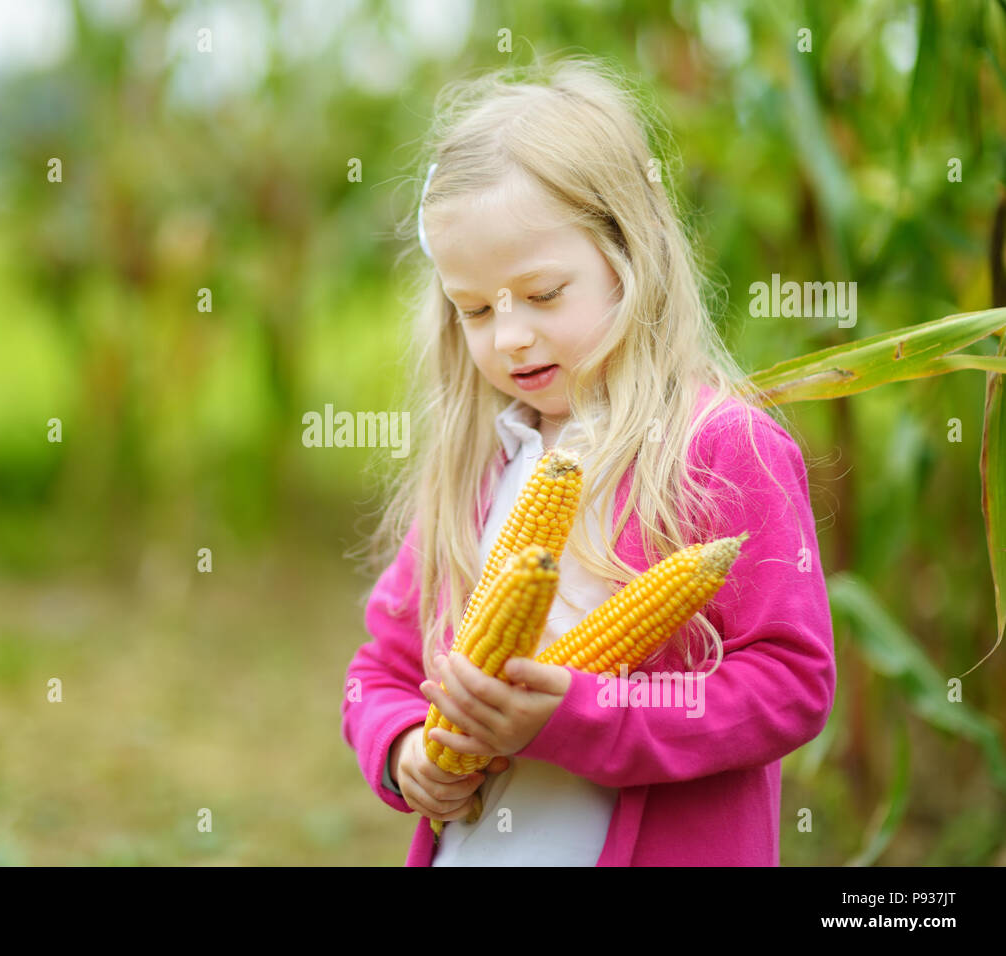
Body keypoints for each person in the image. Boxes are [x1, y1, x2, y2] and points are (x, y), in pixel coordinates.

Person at [340, 55, 835, 866]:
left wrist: (579, 715)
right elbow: (380, 669)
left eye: (542, 295)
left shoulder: (722, 449)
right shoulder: (473, 472)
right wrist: (404, 754)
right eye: (474, 309)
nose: (510, 337)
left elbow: (791, 684)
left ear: (627, 258)